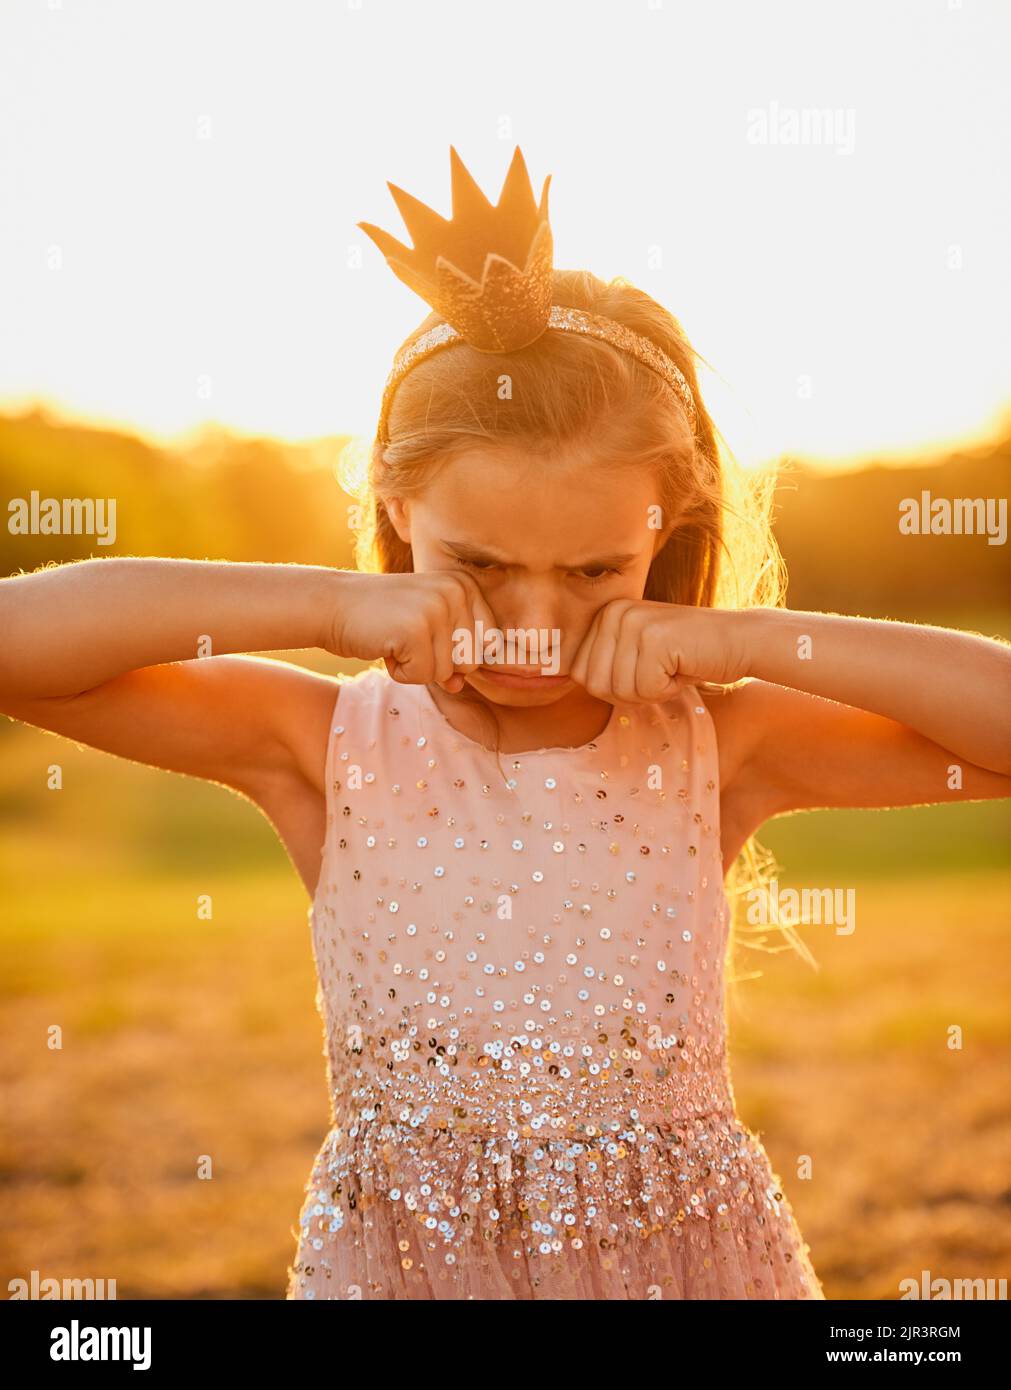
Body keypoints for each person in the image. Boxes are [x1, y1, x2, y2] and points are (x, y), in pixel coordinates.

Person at [2, 148, 1008, 1300]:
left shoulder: (713, 745)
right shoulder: (324, 743)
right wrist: (328, 607)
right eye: (476, 561)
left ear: (665, 530)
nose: (534, 618)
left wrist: (744, 643)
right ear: (396, 511)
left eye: (595, 568)